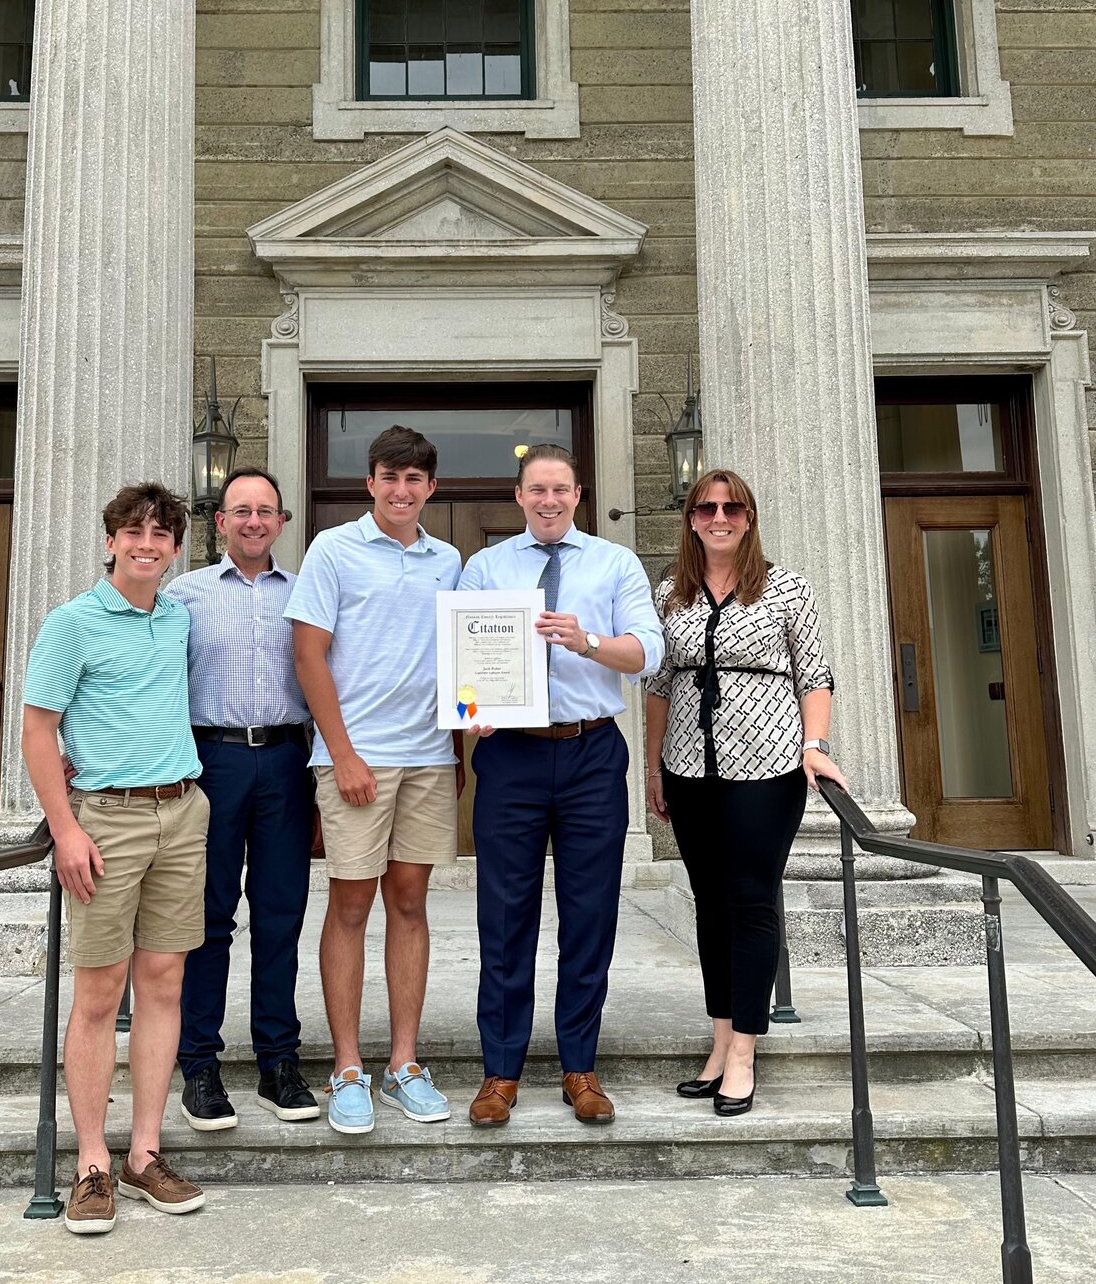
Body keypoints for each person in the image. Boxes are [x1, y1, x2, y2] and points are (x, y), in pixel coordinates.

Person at [21, 482, 209, 1235]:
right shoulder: (72, 622)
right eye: (134, 531)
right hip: (107, 821)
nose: (147, 544)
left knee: (164, 984)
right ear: (111, 542)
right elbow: (38, 731)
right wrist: (65, 829)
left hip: (182, 811)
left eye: (161, 534)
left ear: (175, 548)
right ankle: (92, 1163)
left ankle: (145, 1154)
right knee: (100, 993)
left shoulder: (177, 616)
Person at [458, 443, 663, 1128]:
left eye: (561, 489)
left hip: (591, 752)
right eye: (537, 489)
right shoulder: (485, 568)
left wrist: (587, 642)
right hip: (511, 755)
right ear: (519, 496)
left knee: (589, 915)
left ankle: (581, 1067)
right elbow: (463, 659)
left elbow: (648, 652)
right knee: (503, 917)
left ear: (578, 495)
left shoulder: (615, 563)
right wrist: (472, 707)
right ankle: (500, 1072)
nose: (549, 500)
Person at [644, 468, 848, 1117]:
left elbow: (814, 674)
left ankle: (744, 1053)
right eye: (706, 508)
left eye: (731, 507)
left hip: (766, 767)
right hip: (689, 768)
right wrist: (653, 768)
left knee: (751, 901)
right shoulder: (671, 593)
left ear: (749, 517)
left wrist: (814, 745)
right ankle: (719, 1040)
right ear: (691, 519)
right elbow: (658, 686)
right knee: (710, 905)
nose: (719, 517)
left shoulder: (786, 588)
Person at [285, 425, 462, 1135]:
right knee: (352, 904)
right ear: (370, 483)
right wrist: (343, 755)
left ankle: (404, 1065)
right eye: (391, 477)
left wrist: (469, 726)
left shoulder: (448, 560)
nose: (401, 490)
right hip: (357, 757)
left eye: (414, 478)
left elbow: (461, 656)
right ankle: (348, 1069)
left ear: (430, 487)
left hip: (429, 756)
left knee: (411, 904)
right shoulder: (333, 550)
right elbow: (308, 656)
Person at [164, 466, 320, 1131]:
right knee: (207, 917)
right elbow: (157, 680)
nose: (254, 521)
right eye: (241, 511)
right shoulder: (183, 594)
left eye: (265, 511)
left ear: (281, 521)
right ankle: (199, 1063)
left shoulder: (308, 593)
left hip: (286, 760)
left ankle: (278, 1061)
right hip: (212, 762)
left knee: (281, 915)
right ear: (220, 521)